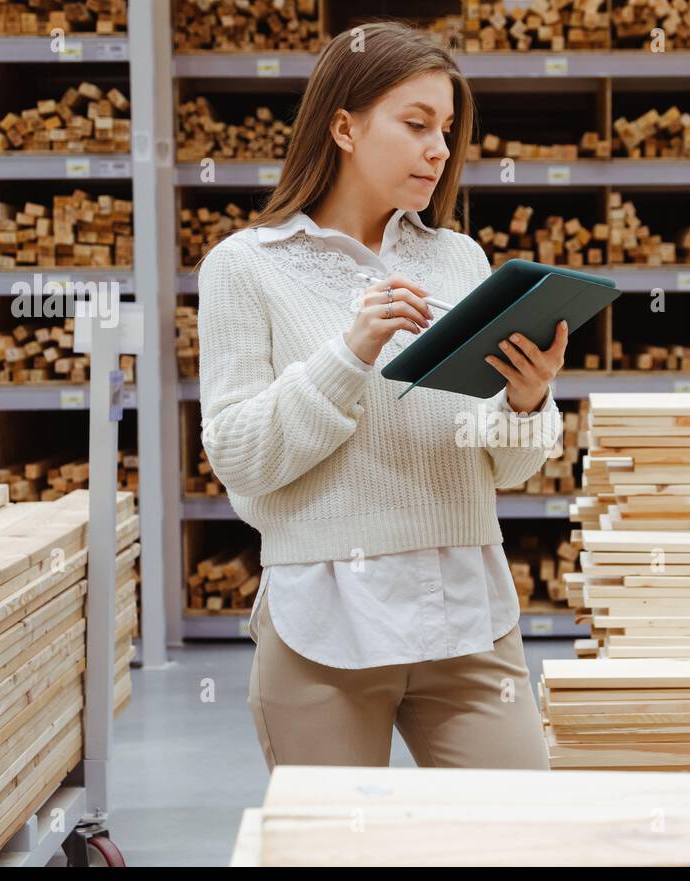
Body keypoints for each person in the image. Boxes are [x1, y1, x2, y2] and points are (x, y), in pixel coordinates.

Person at [197, 21, 567, 771]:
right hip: (322, 625)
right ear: (343, 125)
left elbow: (507, 469)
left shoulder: (459, 259)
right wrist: (348, 354)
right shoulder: (245, 268)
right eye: (417, 124)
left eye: (448, 130)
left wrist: (526, 404)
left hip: (468, 613)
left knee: (521, 835)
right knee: (335, 851)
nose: (440, 148)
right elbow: (238, 457)